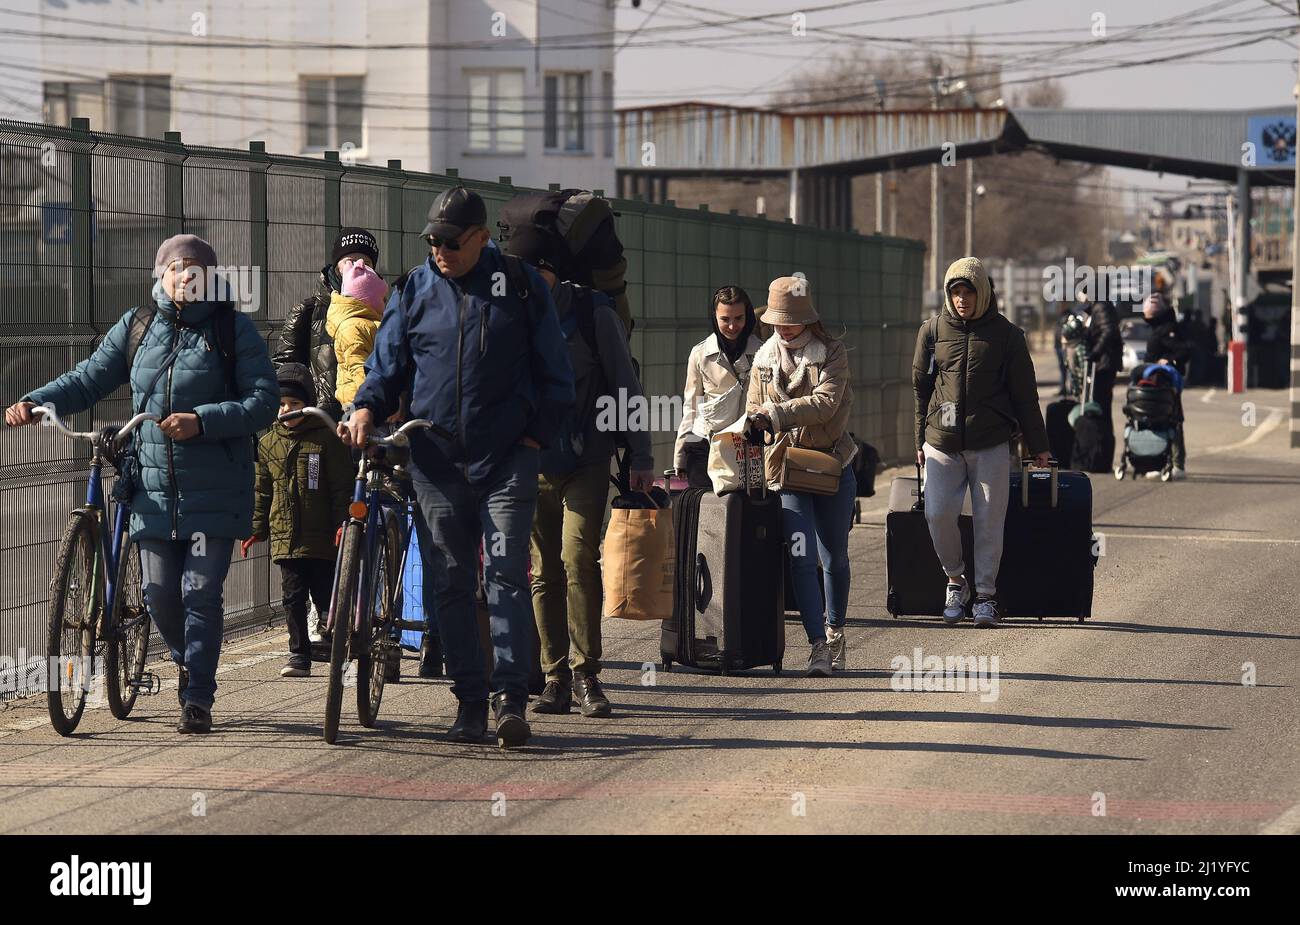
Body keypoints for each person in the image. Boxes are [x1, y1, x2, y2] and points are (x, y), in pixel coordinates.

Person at [5, 234, 278, 732]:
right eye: (176, 268)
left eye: (195, 268)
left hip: (213, 489)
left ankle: (197, 698)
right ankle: (187, 661)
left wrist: (203, 420)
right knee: (157, 594)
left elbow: (263, 401)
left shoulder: (232, 329)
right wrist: (34, 401)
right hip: (151, 488)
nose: (185, 277)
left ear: (211, 277)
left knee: (199, 591)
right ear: (161, 275)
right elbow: (89, 378)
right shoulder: (138, 326)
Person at [343, 186, 575, 749]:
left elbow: (556, 375)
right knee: (448, 581)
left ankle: (510, 700)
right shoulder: (414, 289)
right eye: (432, 241)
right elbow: (388, 365)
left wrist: (534, 435)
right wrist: (366, 406)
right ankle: (470, 701)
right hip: (436, 461)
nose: (440, 250)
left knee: (505, 577)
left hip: (506, 461)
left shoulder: (519, 288)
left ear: (482, 238)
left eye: (451, 241)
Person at [503, 224, 653, 718]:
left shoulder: (593, 314)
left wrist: (641, 455)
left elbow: (625, 386)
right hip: (530, 462)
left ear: (553, 270)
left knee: (577, 558)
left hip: (586, 457)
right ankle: (554, 678)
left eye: (536, 269)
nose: (529, 278)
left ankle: (588, 674)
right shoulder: (508, 315)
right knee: (543, 572)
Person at [912, 257, 1050, 629]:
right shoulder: (931, 331)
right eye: (955, 292)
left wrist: (1039, 446)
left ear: (983, 293)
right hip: (941, 441)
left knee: (989, 521)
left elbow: (1025, 396)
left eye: (968, 292)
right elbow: (920, 390)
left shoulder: (1008, 336)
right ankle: (956, 580)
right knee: (937, 513)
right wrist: (918, 442)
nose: (962, 299)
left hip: (991, 443)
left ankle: (986, 596)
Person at [742, 276, 855, 677]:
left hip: (831, 465)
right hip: (784, 469)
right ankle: (817, 646)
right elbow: (753, 409)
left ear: (808, 319)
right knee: (800, 558)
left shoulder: (833, 353)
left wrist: (775, 414)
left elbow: (826, 405)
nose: (784, 327)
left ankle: (836, 629)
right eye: (777, 320)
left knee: (834, 558)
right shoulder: (763, 359)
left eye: (791, 320)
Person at [246, 363, 353, 677]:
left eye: (293, 404)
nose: (286, 410)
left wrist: (341, 524)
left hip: (322, 539)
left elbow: (340, 488)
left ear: (308, 405)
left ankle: (334, 641)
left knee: (324, 594)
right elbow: (262, 490)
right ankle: (298, 656)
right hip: (285, 536)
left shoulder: (327, 440)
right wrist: (256, 529)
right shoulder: (268, 444)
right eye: (281, 404)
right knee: (292, 597)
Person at [273, 227, 380, 422]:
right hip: (319, 423)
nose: (359, 266)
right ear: (336, 265)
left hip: (367, 417)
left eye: (367, 262)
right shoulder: (308, 310)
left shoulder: (383, 313)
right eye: (350, 260)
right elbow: (284, 369)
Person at [674, 285, 763, 489]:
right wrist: (680, 456)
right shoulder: (700, 354)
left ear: (747, 316)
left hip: (747, 445)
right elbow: (691, 407)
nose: (732, 326)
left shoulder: (763, 352)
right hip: (706, 442)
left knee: (742, 511)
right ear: (715, 317)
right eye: (725, 319)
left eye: (738, 318)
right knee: (707, 510)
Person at [326, 260, 388, 408]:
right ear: (369, 301)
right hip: (360, 401)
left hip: (370, 397)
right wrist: (374, 399)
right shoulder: (352, 327)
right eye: (382, 299)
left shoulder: (368, 323)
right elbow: (359, 367)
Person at [1142, 292, 1190, 480]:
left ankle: (1178, 463)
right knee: (1156, 419)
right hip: (1155, 381)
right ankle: (1158, 461)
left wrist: (1168, 361)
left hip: (1167, 381)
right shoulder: (1160, 328)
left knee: (1173, 419)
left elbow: (1184, 351)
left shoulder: (1169, 329)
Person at [1079, 284, 1122, 466]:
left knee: (1100, 409)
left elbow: (1109, 331)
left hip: (1103, 365)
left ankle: (1101, 455)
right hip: (1104, 363)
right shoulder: (1098, 307)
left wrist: (1096, 352)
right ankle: (1100, 454)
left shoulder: (1101, 306)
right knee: (1101, 409)